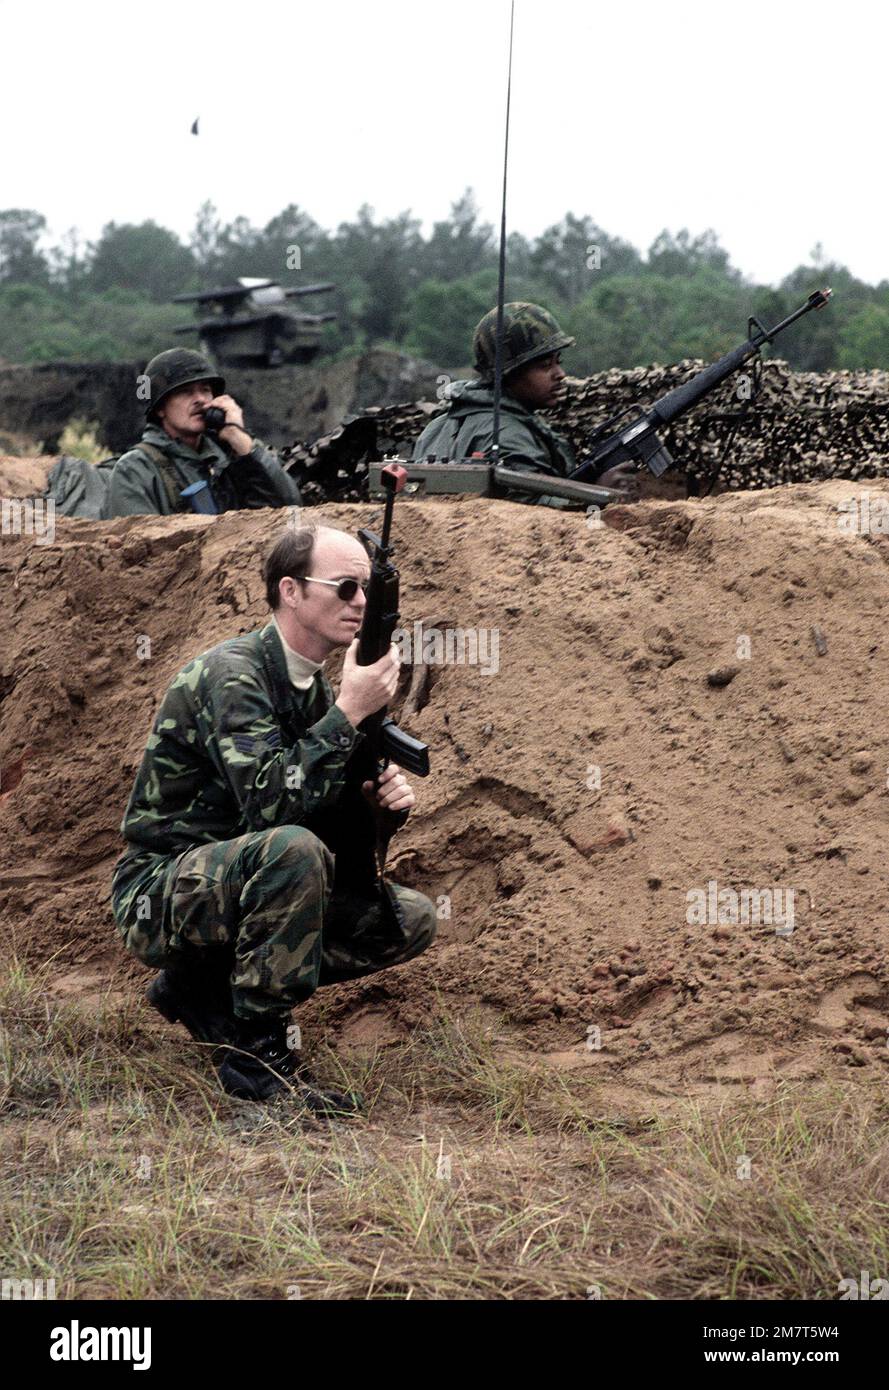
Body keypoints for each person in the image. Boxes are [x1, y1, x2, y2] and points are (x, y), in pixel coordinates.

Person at [111, 521, 436, 1108]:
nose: (359, 603)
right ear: (291, 591)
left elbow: (324, 820)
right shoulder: (233, 674)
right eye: (344, 587)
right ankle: (259, 1064)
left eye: (366, 590)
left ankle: (202, 988)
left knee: (403, 919)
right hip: (162, 890)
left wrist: (377, 808)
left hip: (238, 878)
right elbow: (270, 805)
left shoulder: (311, 689)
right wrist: (347, 713)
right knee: (293, 850)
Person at [412, 302, 639, 503]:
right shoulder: (507, 435)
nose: (560, 374)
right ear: (509, 373)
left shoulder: (439, 425)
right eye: (545, 365)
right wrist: (600, 493)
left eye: (558, 362)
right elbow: (532, 514)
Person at [107, 348, 302, 516]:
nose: (200, 399)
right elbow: (138, 546)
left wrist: (240, 440)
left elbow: (290, 507)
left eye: (205, 390)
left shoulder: (231, 453)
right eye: (185, 392)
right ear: (160, 408)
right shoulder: (135, 470)